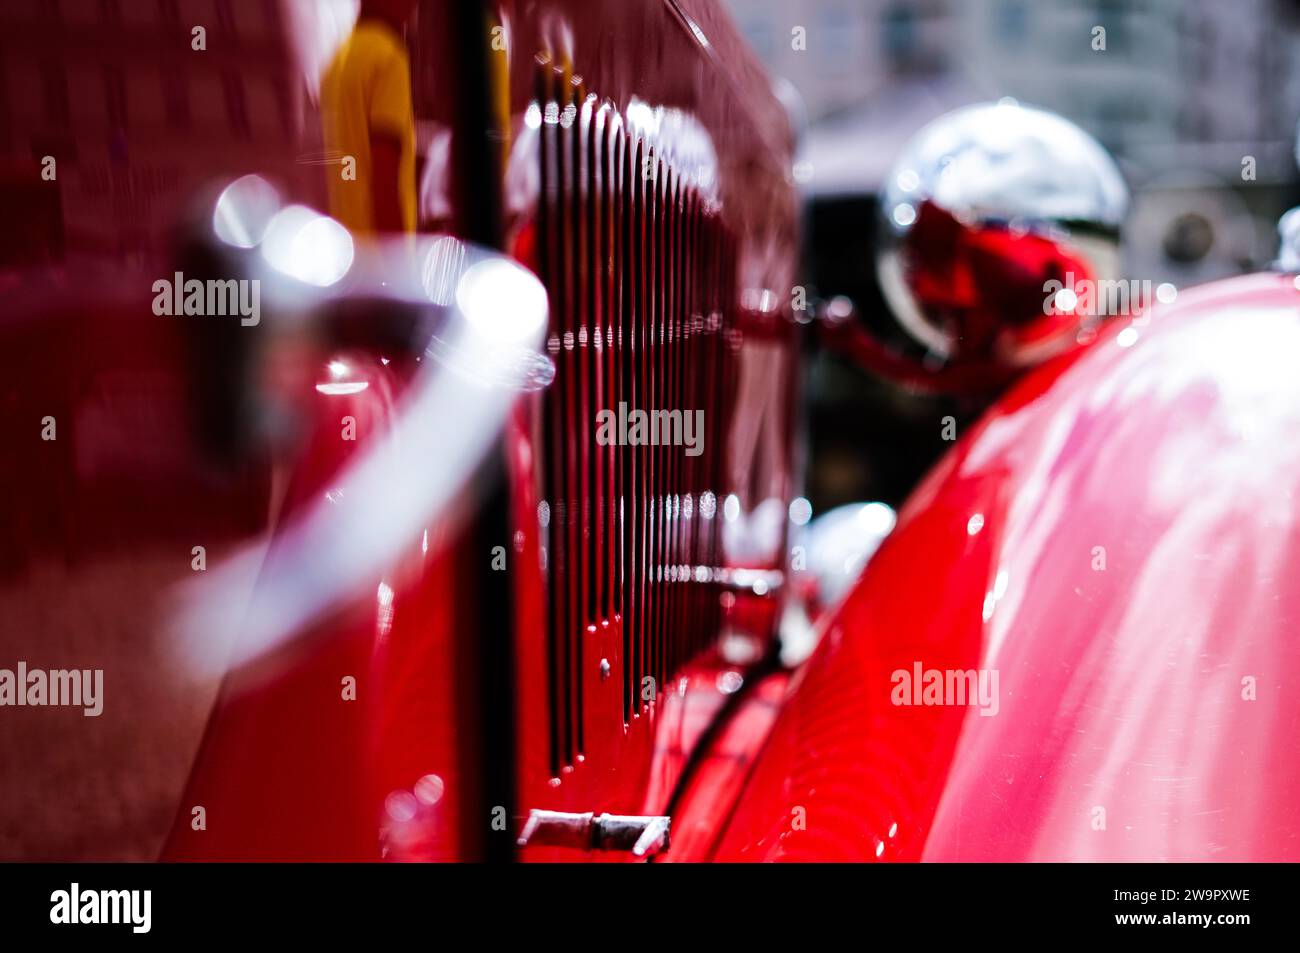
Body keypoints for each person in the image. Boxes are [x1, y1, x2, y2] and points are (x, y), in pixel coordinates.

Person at [320, 0, 419, 237]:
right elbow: (384, 170)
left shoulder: (339, 59)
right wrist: (395, 263)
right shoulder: (389, 59)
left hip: (346, 254)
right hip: (379, 257)